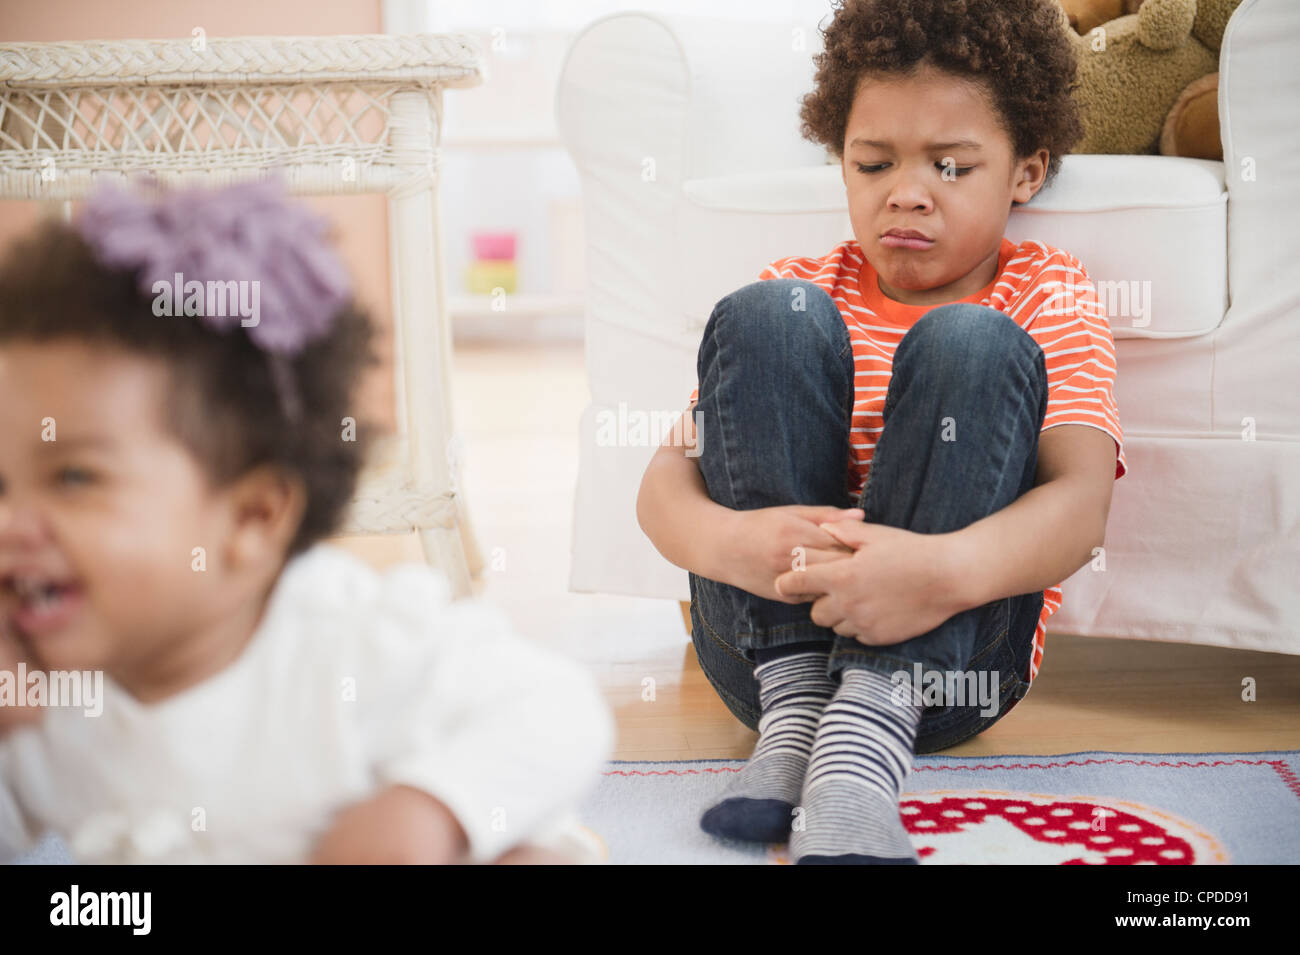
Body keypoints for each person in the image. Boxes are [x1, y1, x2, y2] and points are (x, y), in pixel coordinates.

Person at [637, 0, 1126, 864]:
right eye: (873, 163)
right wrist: (735, 541)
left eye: (951, 165)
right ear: (843, 162)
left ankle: (862, 746)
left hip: (951, 672)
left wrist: (936, 571)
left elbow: (1081, 509)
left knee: (969, 341)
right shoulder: (802, 283)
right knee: (766, 313)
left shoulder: (1049, 292)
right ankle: (794, 727)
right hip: (761, 654)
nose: (907, 191)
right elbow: (663, 486)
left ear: (1027, 171)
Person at [0, 179, 613, 864]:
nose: (9, 523)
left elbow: (558, 709)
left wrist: (426, 808)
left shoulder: (352, 641)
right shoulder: (32, 695)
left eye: (74, 477)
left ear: (254, 517)